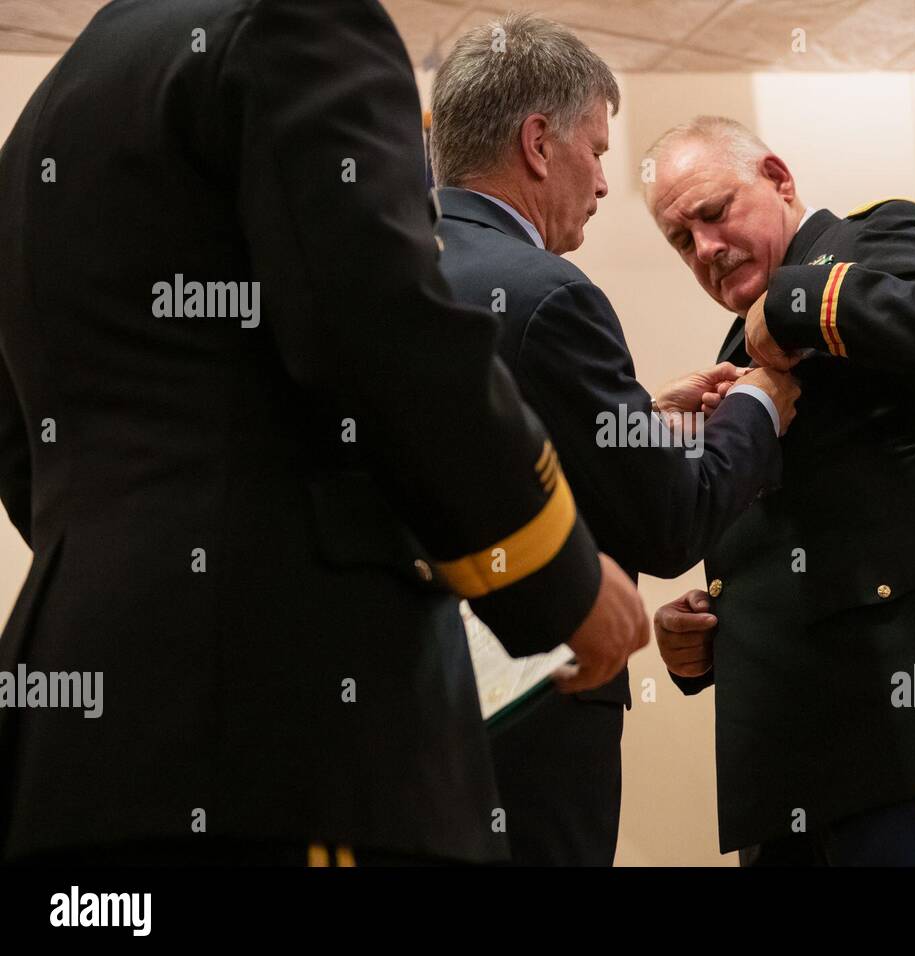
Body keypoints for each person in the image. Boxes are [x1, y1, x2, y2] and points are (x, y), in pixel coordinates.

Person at [0, 0, 646, 866]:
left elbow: (19, 433)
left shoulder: (54, 102)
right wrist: (560, 576)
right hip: (282, 720)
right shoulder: (300, 19)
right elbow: (380, 330)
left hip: (74, 729)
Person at [645, 116, 915, 866]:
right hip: (807, 769)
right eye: (681, 241)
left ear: (780, 179)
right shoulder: (735, 351)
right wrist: (711, 626)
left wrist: (801, 299)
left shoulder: (867, 245)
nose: (707, 249)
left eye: (714, 212)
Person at [428, 16, 799, 865]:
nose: (602, 183)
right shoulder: (549, 296)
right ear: (537, 142)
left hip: (397, 720)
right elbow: (670, 524)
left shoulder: (389, 267)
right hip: (528, 716)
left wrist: (636, 415)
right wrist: (761, 399)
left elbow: (475, 442)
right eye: (596, 150)